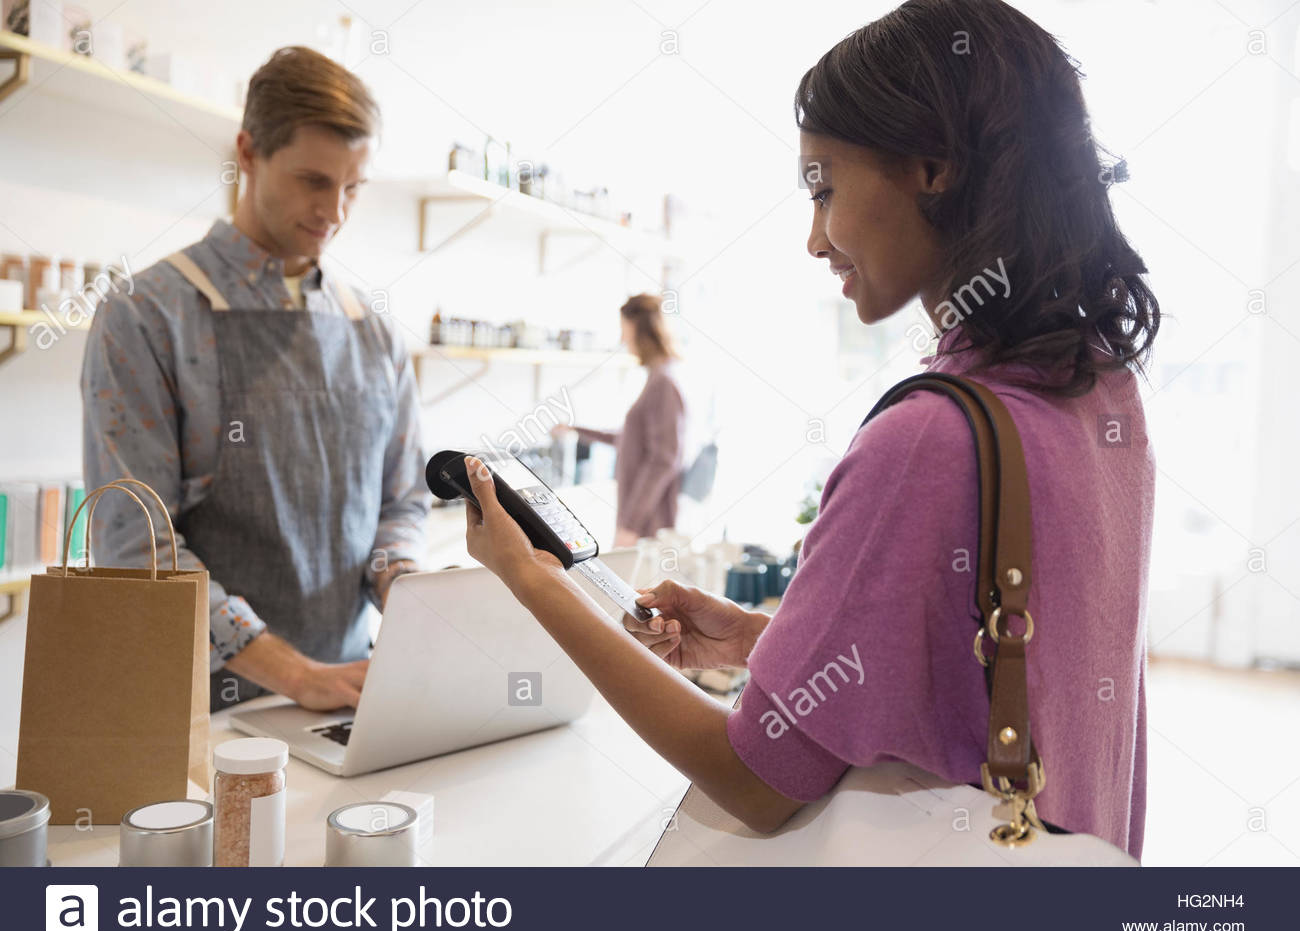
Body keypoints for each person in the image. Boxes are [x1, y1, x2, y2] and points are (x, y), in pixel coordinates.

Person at [462, 0, 1159, 860]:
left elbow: (755, 780)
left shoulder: (925, 441)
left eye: (824, 186)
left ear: (931, 166)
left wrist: (533, 584)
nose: (813, 238)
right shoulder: (1101, 394)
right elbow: (1010, 678)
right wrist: (775, 644)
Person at [81, 47, 431, 713]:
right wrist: (293, 673)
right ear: (247, 153)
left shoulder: (374, 332)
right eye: (312, 181)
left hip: (352, 694)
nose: (334, 211)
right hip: (194, 710)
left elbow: (402, 501)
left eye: (353, 187)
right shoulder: (146, 314)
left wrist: (400, 580)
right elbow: (135, 545)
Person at [555, 294, 686, 547]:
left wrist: (630, 525)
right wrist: (575, 429)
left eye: (624, 330)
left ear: (641, 330)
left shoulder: (663, 384)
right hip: (642, 523)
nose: (623, 339)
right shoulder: (657, 379)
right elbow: (630, 440)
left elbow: (663, 459)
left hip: (649, 527)